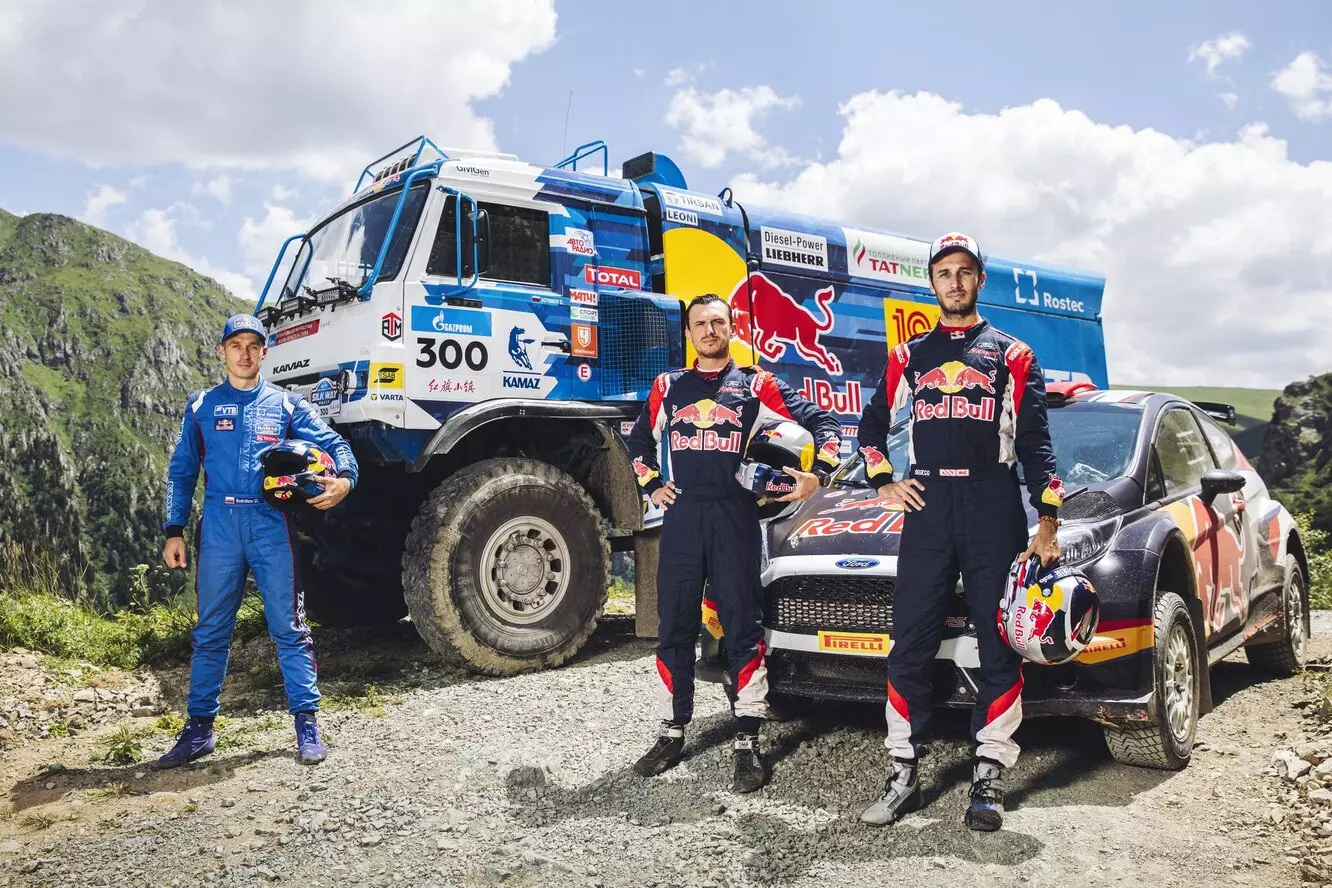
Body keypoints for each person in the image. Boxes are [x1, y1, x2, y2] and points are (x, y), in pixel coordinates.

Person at [856, 232, 1063, 831]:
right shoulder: (907, 357)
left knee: (1000, 642)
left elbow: (1037, 447)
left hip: (992, 504)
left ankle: (991, 773)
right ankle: (902, 772)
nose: (954, 281)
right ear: (932, 283)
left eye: (964, 271)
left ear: (979, 280)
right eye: (943, 272)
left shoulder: (1013, 355)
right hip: (927, 505)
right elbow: (870, 431)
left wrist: (1046, 522)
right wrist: (883, 481)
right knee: (909, 640)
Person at [626, 293, 843, 793]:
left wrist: (819, 475)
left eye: (717, 322)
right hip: (681, 520)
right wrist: (651, 484)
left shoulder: (757, 383)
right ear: (688, 332)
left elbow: (825, 423)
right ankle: (672, 730)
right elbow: (637, 442)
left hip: (736, 517)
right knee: (674, 629)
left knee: (743, 629)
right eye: (699, 323)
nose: (708, 330)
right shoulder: (667, 386)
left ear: (731, 326)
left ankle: (747, 738)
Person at [157, 314, 359, 768]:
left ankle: (307, 727)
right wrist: (174, 530)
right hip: (219, 529)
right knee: (210, 632)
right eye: (236, 345)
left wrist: (345, 480)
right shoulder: (201, 405)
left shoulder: (287, 406)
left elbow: (336, 446)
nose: (245, 353)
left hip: (272, 527)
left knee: (289, 629)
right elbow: (181, 471)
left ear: (265, 352)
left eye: (253, 345)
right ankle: (198, 732)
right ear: (221, 352)